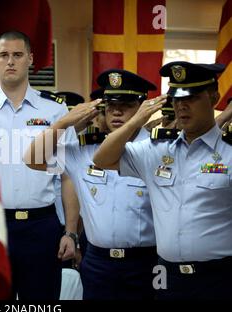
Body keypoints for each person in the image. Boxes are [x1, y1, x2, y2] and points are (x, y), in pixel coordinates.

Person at [93, 61, 232, 299]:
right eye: (176, 99)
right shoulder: (157, 150)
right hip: (166, 274)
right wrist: (136, 120)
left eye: (191, 98)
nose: (181, 106)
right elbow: (102, 159)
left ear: (214, 97)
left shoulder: (229, 151)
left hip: (218, 276)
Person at [25, 69, 159, 299]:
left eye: (126, 104)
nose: (116, 111)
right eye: (110, 105)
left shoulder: (158, 150)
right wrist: (65, 121)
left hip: (145, 262)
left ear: (141, 107)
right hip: (98, 263)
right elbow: (33, 159)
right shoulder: (84, 151)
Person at [0, 31, 78, 300]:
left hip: (42, 226)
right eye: (4, 55)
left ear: (31, 59)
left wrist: (71, 232)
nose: (10, 61)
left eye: (17, 55)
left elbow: (68, 175)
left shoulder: (55, 112)